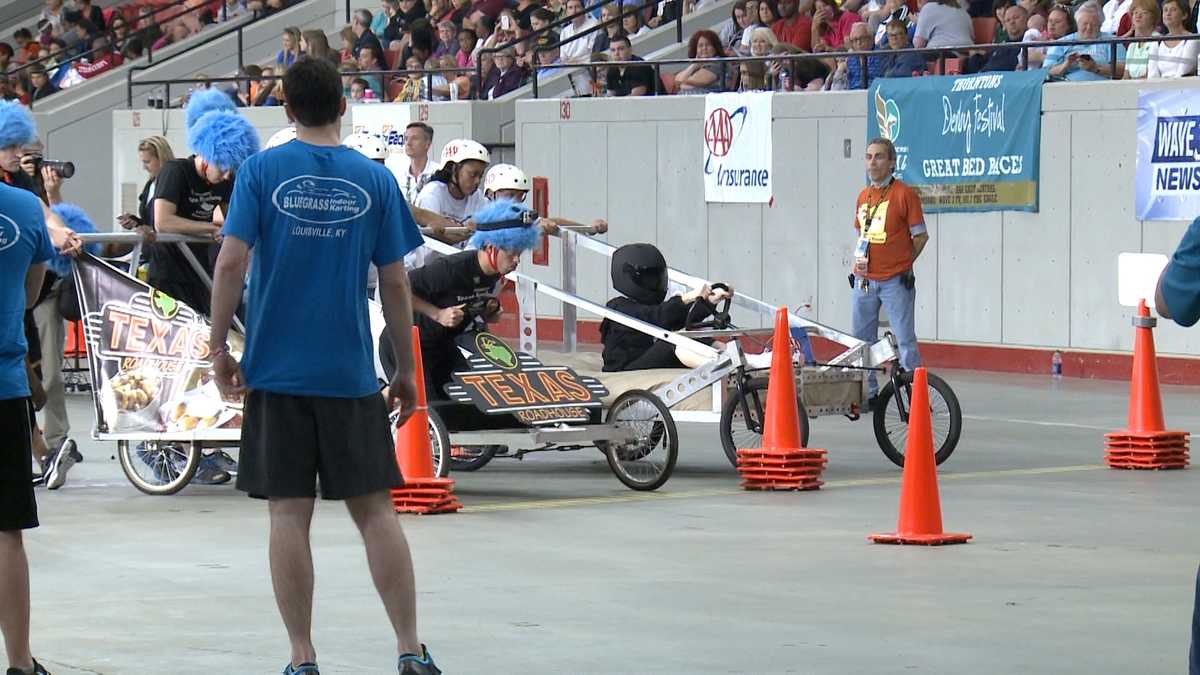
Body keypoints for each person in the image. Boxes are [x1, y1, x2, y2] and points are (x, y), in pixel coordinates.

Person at [208, 56, 440, 675]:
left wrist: (217, 350)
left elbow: (229, 265)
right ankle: (410, 650)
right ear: (343, 107)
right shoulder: (376, 179)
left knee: (288, 513)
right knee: (377, 513)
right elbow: (394, 281)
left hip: (275, 375)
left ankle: (303, 657)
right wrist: (407, 369)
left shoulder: (258, 172)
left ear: (287, 109)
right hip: (349, 375)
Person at [0, 100, 56, 675]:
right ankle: (19, 662)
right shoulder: (24, 207)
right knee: (6, 530)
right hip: (3, 381)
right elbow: (32, 288)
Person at [403, 199, 540, 398]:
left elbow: (465, 300)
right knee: (430, 410)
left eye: (519, 253)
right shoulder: (452, 268)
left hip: (441, 344)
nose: (517, 260)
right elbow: (399, 288)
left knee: (473, 403)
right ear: (491, 247)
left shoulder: (494, 274)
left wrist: (487, 310)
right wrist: (438, 314)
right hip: (408, 344)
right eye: (512, 254)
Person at [851, 137, 927, 399]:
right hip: (864, 280)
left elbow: (920, 236)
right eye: (869, 156)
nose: (873, 162)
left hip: (895, 280)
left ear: (892, 162)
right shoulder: (863, 196)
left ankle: (916, 398)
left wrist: (904, 264)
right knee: (862, 341)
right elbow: (863, 234)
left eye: (879, 156)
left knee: (905, 340)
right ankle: (867, 393)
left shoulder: (905, 195)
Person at [601, 243, 731, 372]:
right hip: (625, 368)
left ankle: (739, 360)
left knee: (693, 336)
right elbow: (657, 316)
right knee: (673, 341)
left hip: (645, 357)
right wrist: (688, 296)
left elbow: (678, 318)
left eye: (657, 278)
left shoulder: (648, 307)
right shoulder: (617, 307)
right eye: (649, 279)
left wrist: (710, 301)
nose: (656, 283)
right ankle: (726, 369)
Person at [481, 163, 607, 233]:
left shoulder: (516, 215)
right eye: (510, 195)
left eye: (521, 196)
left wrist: (590, 228)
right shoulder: (478, 211)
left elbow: (553, 222)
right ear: (491, 194)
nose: (516, 201)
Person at [1043, 2, 1124, 80]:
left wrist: (1095, 68)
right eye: (1084, 24)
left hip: (1104, 89)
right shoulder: (1061, 43)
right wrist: (1065, 65)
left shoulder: (1112, 41)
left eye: (1093, 25)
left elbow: (1124, 70)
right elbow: (1044, 73)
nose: (1088, 28)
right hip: (1066, 88)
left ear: (1100, 25)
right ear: (1077, 24)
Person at [1146, 0, 1198, 78]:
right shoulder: (1157, 42)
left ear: (1184, 15)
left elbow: (1183, 73)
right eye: (1165, 10)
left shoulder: (1192, 40)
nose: (1168, 13)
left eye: (1173, 10)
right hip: (1159, 88)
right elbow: (1152, 75)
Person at [676, 29, 727, 94]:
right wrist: (694, 65)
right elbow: (677, 81)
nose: (704, 48)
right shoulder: (699, 64)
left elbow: (682, 81)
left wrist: (683, 84)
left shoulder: (717, 63)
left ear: (715, 47)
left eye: (708, 45)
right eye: (700, 46)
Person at [1120, 0, 1158, 79]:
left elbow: (1150, 75)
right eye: (1135, 13)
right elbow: (1126, 76)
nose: (1138, 16)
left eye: (1144, 12)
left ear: (1153, 18)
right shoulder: (1132, 46)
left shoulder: (1157, 41)